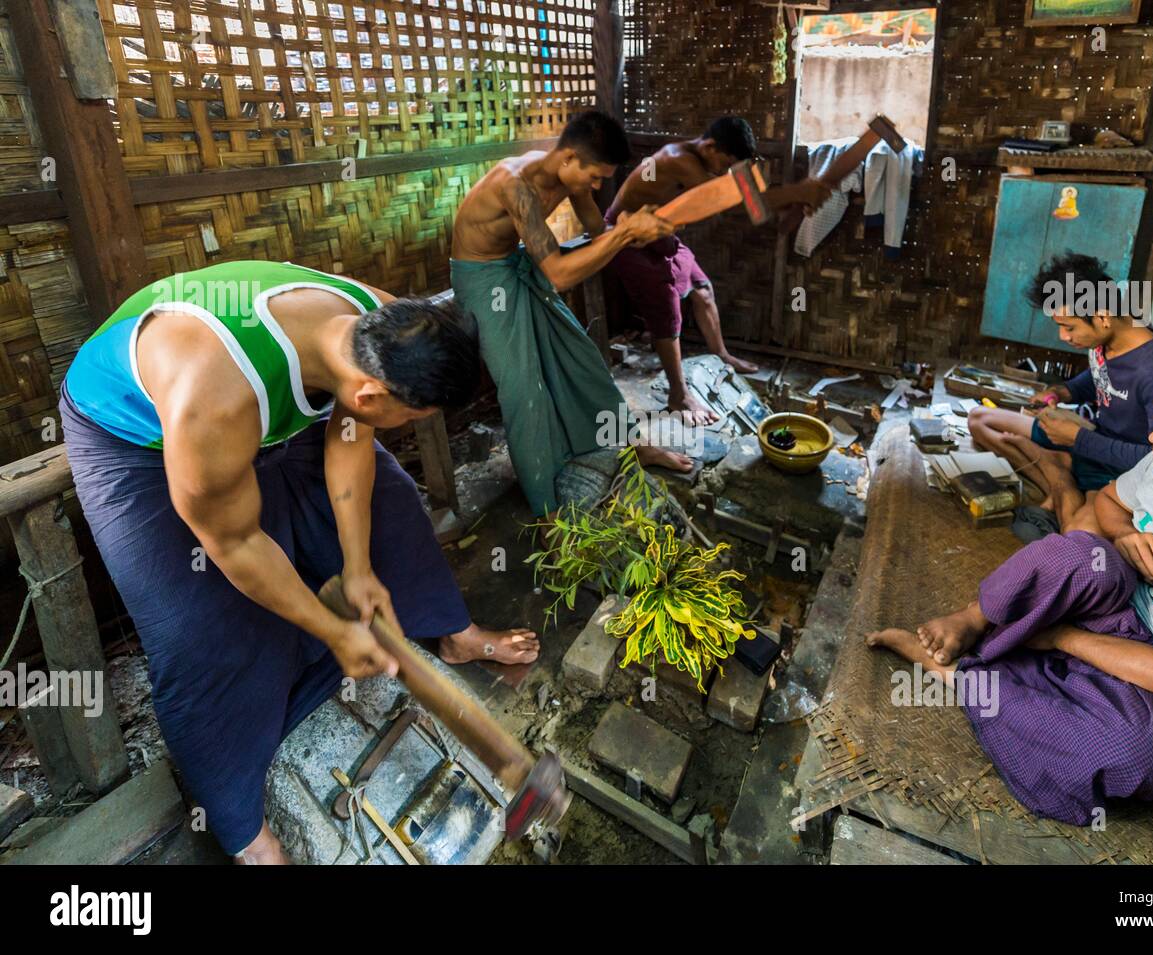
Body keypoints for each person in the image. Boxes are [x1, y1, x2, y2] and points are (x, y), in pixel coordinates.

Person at [61, 260, 538, 863]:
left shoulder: (378, 323)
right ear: (373, 395)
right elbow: (233, 545)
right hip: (136, 433)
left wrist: (359, 568)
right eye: (415, 419)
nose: (417, 429)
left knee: (392, 511)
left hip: (259, 407)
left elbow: (349, 439)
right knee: (201, 627)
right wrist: (333, 629)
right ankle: (244, 831)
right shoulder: (213, 400)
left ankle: (455, 637)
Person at [868, 346, 1153, 825]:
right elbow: (1108, 503)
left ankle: (964, 677)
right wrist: (1125, 535)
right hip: (1115, 606)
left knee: (1138, 752)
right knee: (1077, 550)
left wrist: (1062, 637)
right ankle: (973, 620)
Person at [450, 110, 693, 516]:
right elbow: (560, 275)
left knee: (582, 359)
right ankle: (548, 510)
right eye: (595, 177)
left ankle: (631, 445)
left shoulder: (570, 177)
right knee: (524, 391)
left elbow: (599, 230)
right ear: (567, 159)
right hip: (482, 279)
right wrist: (626, 234)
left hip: (518, 265)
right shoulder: (514, 185)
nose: (597, 186)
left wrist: (635, 225)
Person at [604, 116, 833, 425]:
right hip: (625, 236)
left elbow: (754, 201)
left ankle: (722, 355)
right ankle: (678, 396)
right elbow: (745, 204)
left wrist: (795, 199)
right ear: (710, 146)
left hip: (658, 234)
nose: (725, 172)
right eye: (724, 164)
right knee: (666, 310)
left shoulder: (700, 156)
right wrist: (798, 192)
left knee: (703, 289)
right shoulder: (678, 159)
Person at [968, 252, 1153, 528]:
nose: (1063, 336)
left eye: (1068, 327)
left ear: (1103, 316)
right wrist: (1062, 393)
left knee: (1075, 531)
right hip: (1089, 436)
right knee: (979, 420)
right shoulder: (1107, 339)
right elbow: (1099, 377)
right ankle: (1059, 469)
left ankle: (1056, 473)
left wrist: (1077, 440)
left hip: (1118, 467)